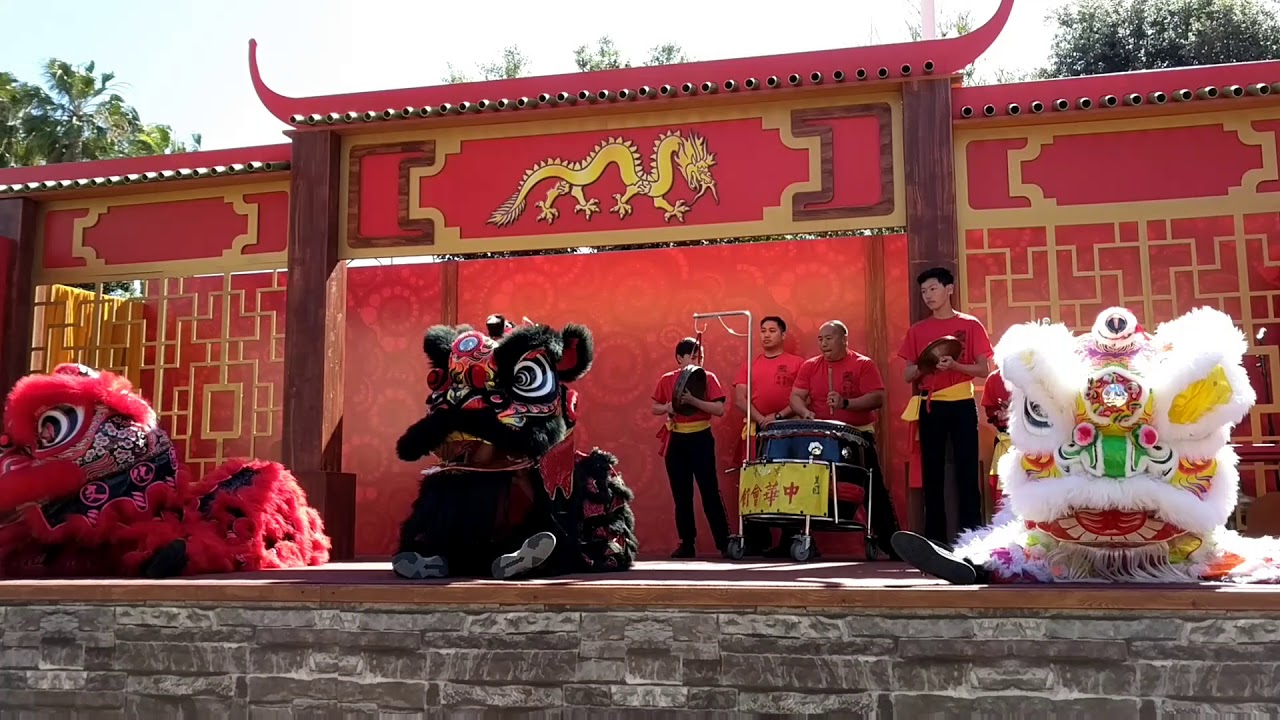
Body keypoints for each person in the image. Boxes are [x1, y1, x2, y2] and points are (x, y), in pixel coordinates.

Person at [897, 267, 994, 546]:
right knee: (932, 474)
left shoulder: (970, 324)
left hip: (963, 404)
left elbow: (983, 369)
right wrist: (927, 365)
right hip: (931, 407)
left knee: (966, 472)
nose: (928, 295)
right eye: (924, 291)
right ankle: (935, 541)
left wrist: (954, 365)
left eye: (933, 289)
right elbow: (907, 374)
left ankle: (973, 540)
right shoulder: (918, 330)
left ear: (949, 289)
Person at [789, 321, 902, 559]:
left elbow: (877, 397)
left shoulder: (863, 364)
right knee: (808, 485)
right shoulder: (810, 366)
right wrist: (803, 411)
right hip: (822, 436)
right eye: (820, 339)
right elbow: (796, 396)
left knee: (872, 489)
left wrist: (845, 403)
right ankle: (798, 537)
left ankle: (891, 542)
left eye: (829, 338)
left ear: (844, 339)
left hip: (857, 435)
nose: (823, 344)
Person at [652, 337, 732, 558]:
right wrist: (667, 406)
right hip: (676, 439)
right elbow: (654, 407)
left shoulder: (707, 378)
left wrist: (693, 401)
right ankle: (687, 543)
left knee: (709, 491)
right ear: (680, 358)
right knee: (682, 494)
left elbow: (718, 409)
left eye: (701, 357)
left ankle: (724, 542)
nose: (699, 361)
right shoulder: (667, 379)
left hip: (701, 437)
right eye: (694, 357)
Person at [732, 316, 804, 556]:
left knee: (790, 483)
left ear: (783, 335)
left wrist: (778, 417)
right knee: (756, 482)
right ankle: (756, 539)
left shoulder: (797, 363)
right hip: (757, 431)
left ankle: (790, 539)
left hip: (790, 431)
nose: (766, 335)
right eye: (763, 330)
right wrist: (762, 418)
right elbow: (740, 398)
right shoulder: (749, 365)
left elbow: (803, 396)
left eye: (772, 330)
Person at [981, 367, 1012, 510]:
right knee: (1003, 491)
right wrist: (999, 413)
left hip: (1034, 443)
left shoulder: (1037, 376)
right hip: (1005, 440)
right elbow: (990, 410)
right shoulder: (994, 378)